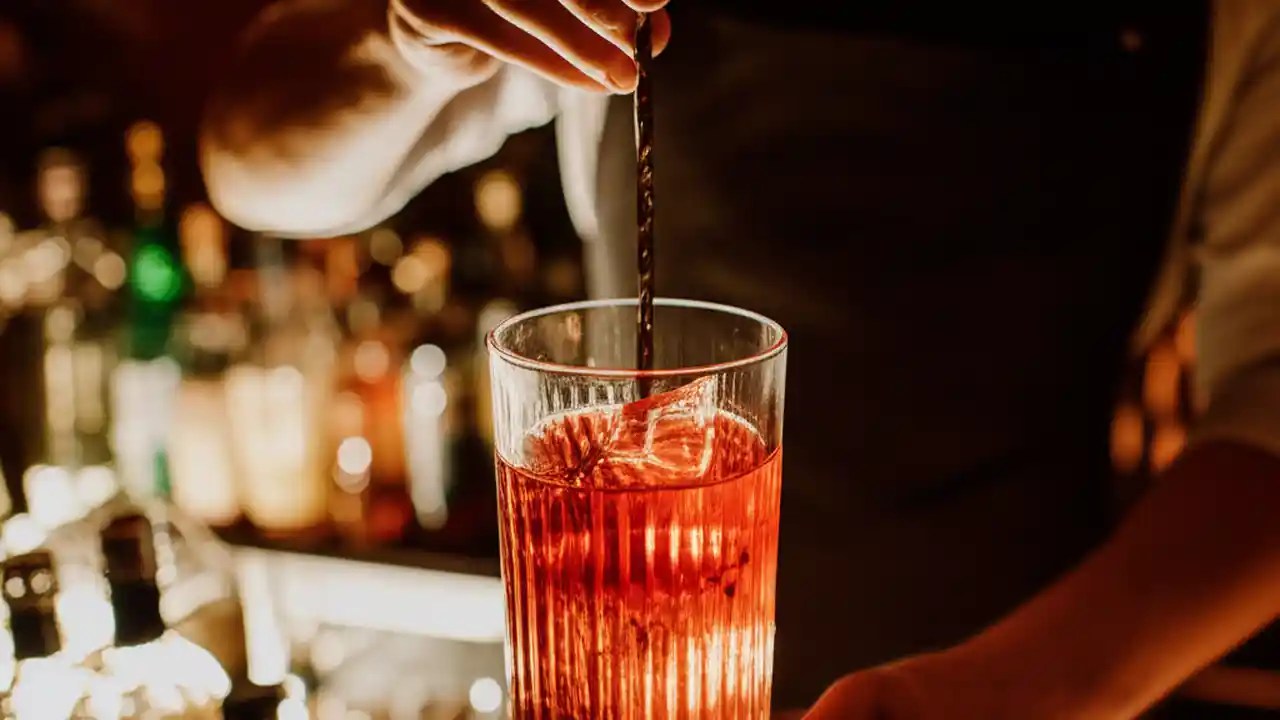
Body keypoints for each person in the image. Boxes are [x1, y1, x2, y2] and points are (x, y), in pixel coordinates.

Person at [200, 1, 1280, 717]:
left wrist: (1018, 694)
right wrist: (403, 38)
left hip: (1033, 666)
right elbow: (256, 169)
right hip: (609, 671)